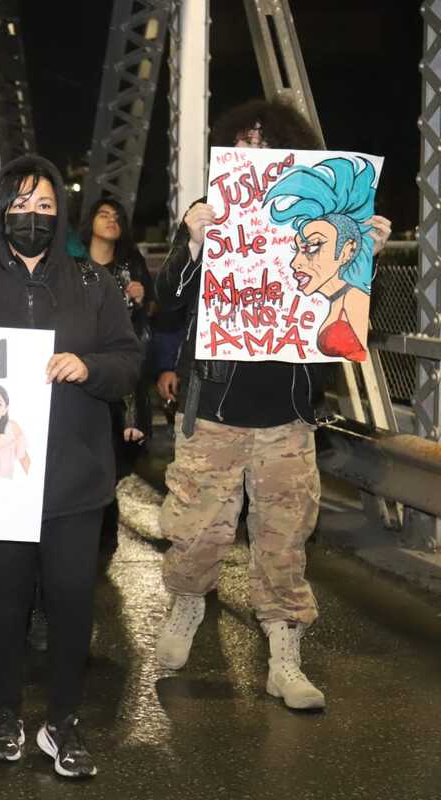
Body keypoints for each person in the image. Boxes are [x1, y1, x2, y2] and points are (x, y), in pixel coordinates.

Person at [153, 99, 391, 711]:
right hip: (214, 409)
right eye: (244, 143)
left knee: (285, 539)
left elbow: (343, 313)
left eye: (267, 142)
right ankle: (186, 605)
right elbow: (168, 306)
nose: (255, 151)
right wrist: (193, 245)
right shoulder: (210, 221)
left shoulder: (318, 227)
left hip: (287, 416)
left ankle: (285, 658)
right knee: (197, 531)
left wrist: (363, 255)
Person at [0, 154, 141, 778]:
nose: (33, 217)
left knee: (74, 602)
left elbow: (128, 359)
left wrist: (90, 367)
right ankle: (4, 713)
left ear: (61, 215)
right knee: (5, 605)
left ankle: (63, 722)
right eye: (20, 206)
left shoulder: (93, 285)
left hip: (74, 481)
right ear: (0, 213)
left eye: (45, 207)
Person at [81, 196, 155, 554]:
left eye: (117, 216)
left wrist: (142, 299)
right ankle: (89, 525)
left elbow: (145, 330)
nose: (111, 220)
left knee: (116, 457)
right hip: (80, 374)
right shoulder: (71, 266)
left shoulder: (131, 269)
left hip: (121, 379)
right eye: (103, 214)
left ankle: (104, 528)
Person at [264, 155, 379, 362]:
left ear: (346, 251)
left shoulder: (353, 298)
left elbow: (360, 356)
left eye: (313, 247)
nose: (295, 262)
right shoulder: (334, 299)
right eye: (298, 249)